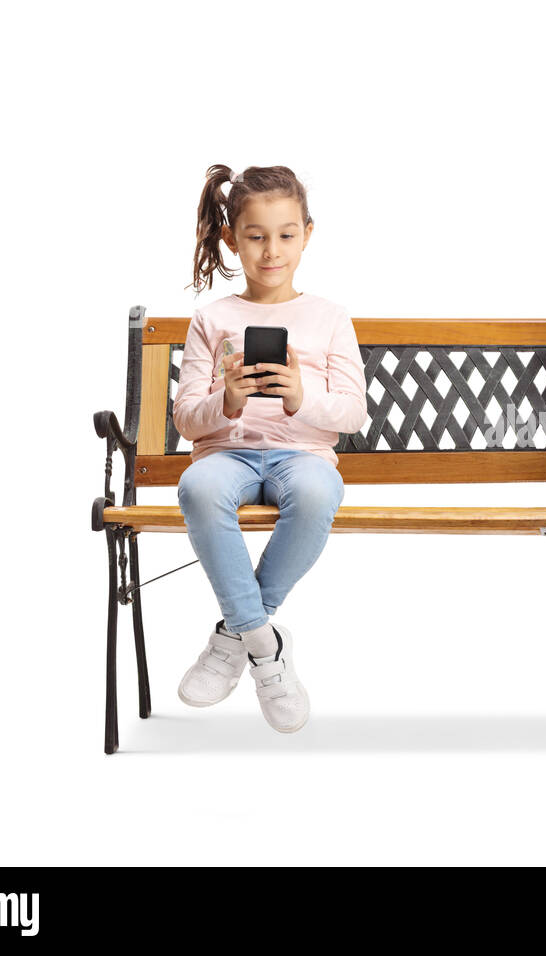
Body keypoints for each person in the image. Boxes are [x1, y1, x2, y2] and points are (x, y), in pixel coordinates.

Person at [172, 164, 367, 734]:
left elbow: (352, 413)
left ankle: (235, 634)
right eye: (255, 236)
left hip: (302, 456)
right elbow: (187, 417)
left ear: (308, 233)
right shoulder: (212, 320)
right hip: (225, 455)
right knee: (198, 488)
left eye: (285, 234)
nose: (271, 250)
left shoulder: (329, 318)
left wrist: (301, 397)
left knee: (313, 494)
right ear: (232, 239)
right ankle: (265, 646)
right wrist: (226, 402)